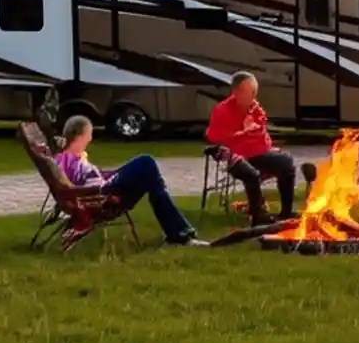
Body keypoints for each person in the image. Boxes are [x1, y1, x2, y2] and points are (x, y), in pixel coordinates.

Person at [54, 116, 207, 247]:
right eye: (89, 134)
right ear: (80, 136)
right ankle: (179, 233)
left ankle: (179, 234)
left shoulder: (72, 157)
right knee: (146, 163)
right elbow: (74, 188)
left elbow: (84, 179)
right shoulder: (67, 159)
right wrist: (102, 186)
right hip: (102, 192)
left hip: (104, 187)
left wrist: (107, 175)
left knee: (151, 179)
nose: (91, 139)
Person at [206, 71, 298, 226]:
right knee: (259, 170)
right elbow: (214, 136)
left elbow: (261, 132)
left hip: (259, 153)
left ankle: (286, 212)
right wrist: (242, 131)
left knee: (286, 163)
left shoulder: (254, 108)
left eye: (254, 92)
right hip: (237, 155)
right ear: (235, 92)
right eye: (248, 92)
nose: (252, 97)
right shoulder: (222, 110)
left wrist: (264, 142)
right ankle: (258, 214)